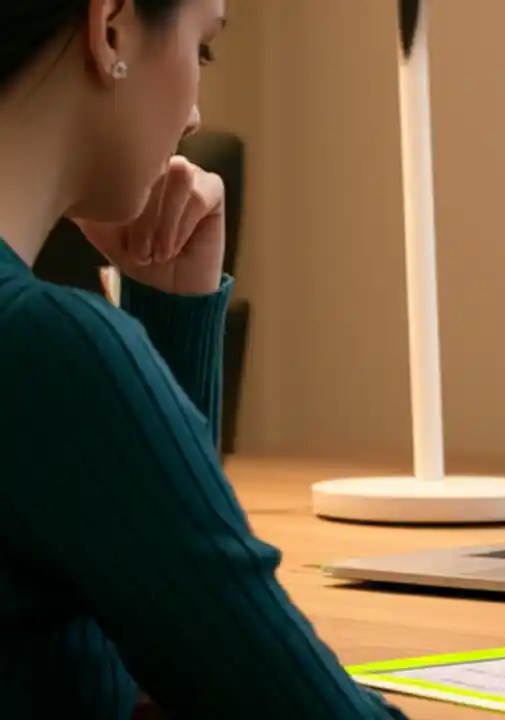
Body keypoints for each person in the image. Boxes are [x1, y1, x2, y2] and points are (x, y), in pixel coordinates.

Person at [0, 1, 407, 718]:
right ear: (112, 28)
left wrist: (168, 309)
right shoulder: (46, 349)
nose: (194, 117)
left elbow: (162, 646)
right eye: (205, 48)